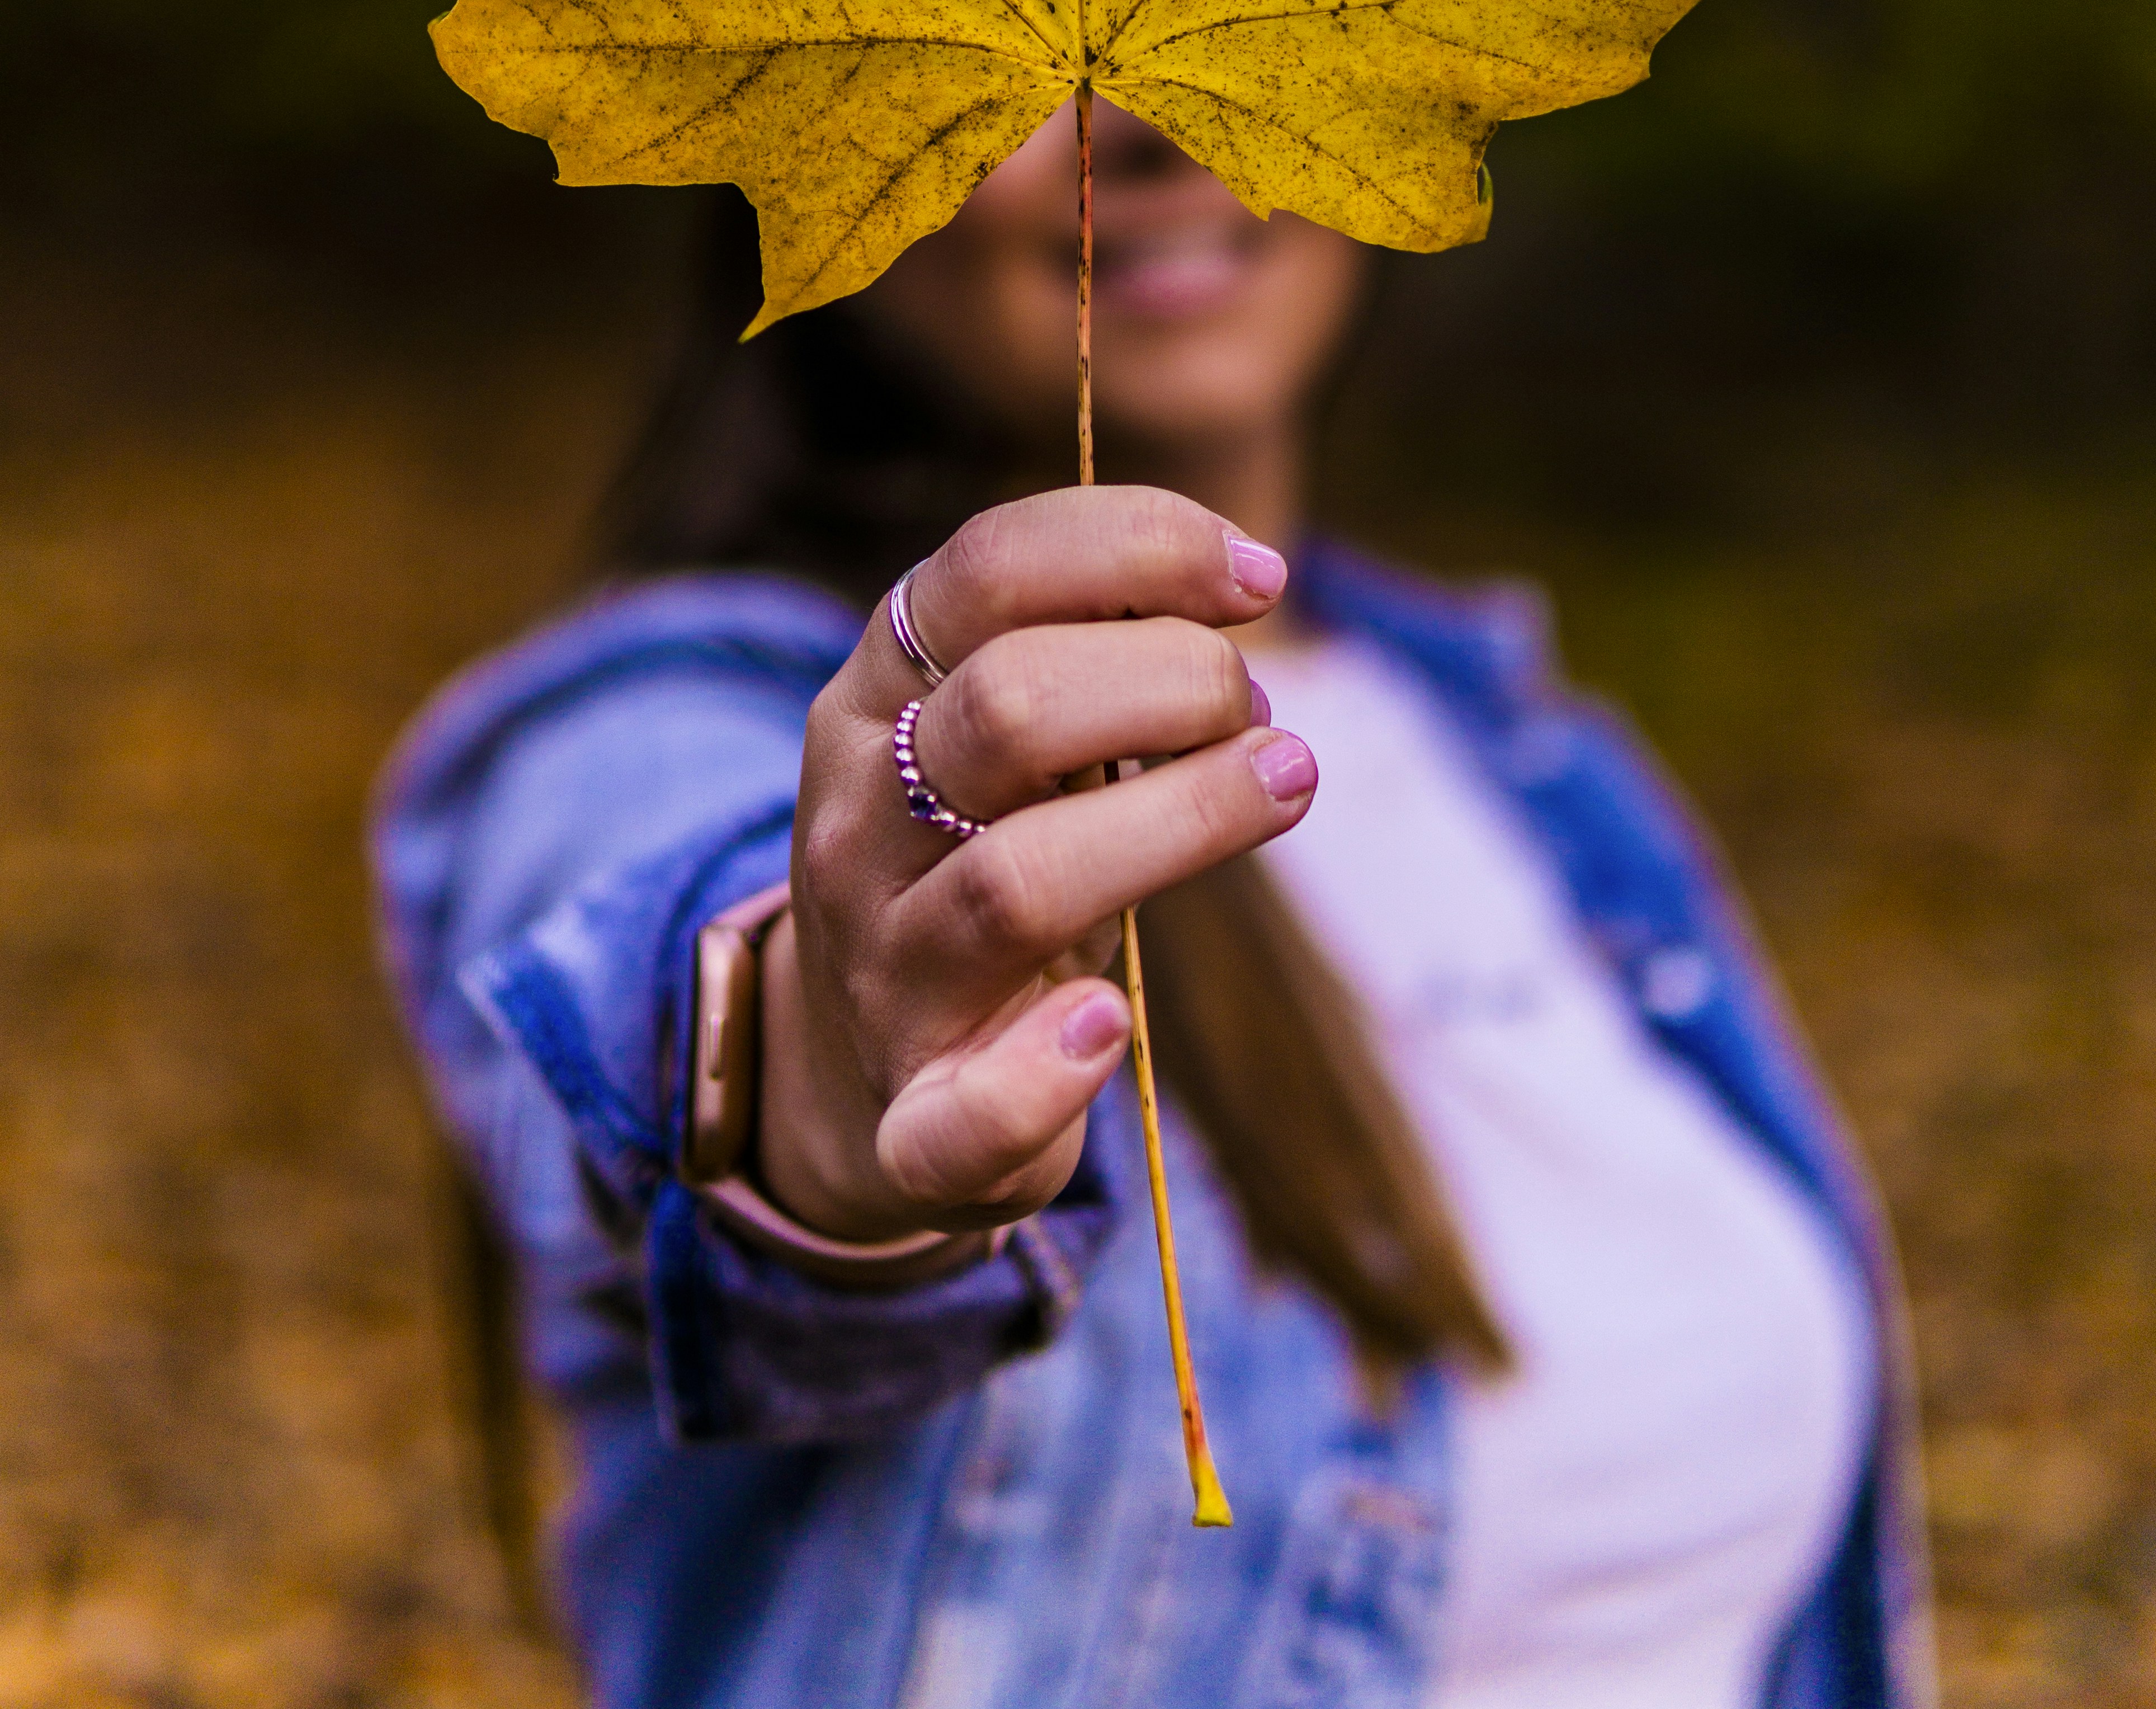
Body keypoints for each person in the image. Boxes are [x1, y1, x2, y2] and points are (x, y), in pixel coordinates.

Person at [375, 102, 1929, 1709]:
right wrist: (835, 1076)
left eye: (1226, 11)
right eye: (1027, 58)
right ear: (807, 127)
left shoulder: (1530, 749)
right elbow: (685, 955)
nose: (1153, 123)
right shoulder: (665, 722)